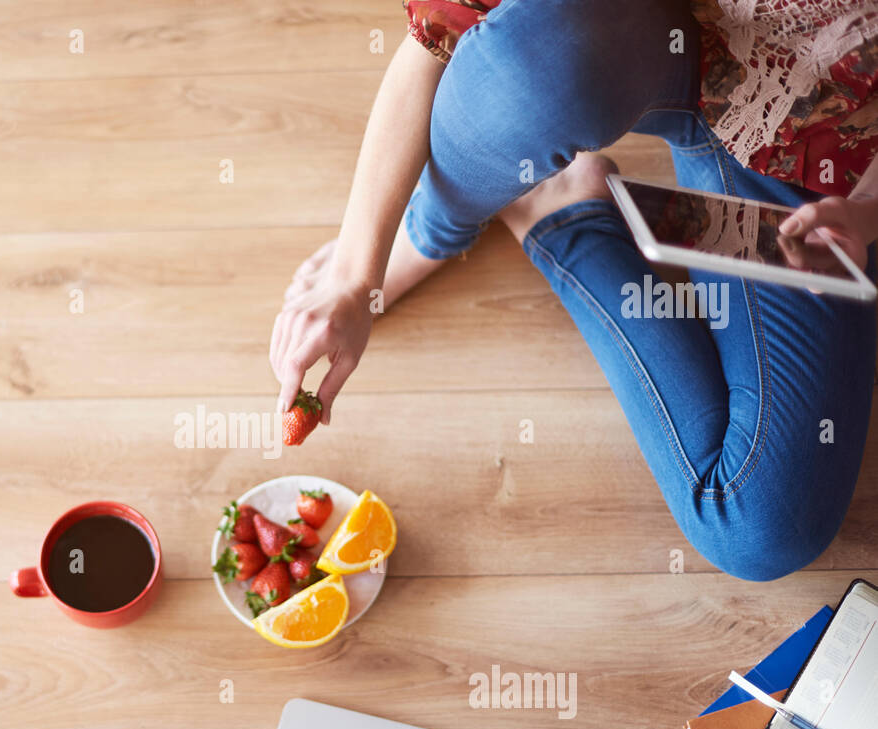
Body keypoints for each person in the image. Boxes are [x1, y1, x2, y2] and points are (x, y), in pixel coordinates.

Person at [270, 0, 878, 580]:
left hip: (821, 149)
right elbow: (434, 35)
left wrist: (869, 212)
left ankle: (560, 213)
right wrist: (356, 277)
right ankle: (432, 230)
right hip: (658, 40)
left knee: (756, 528)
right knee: (527, 67)